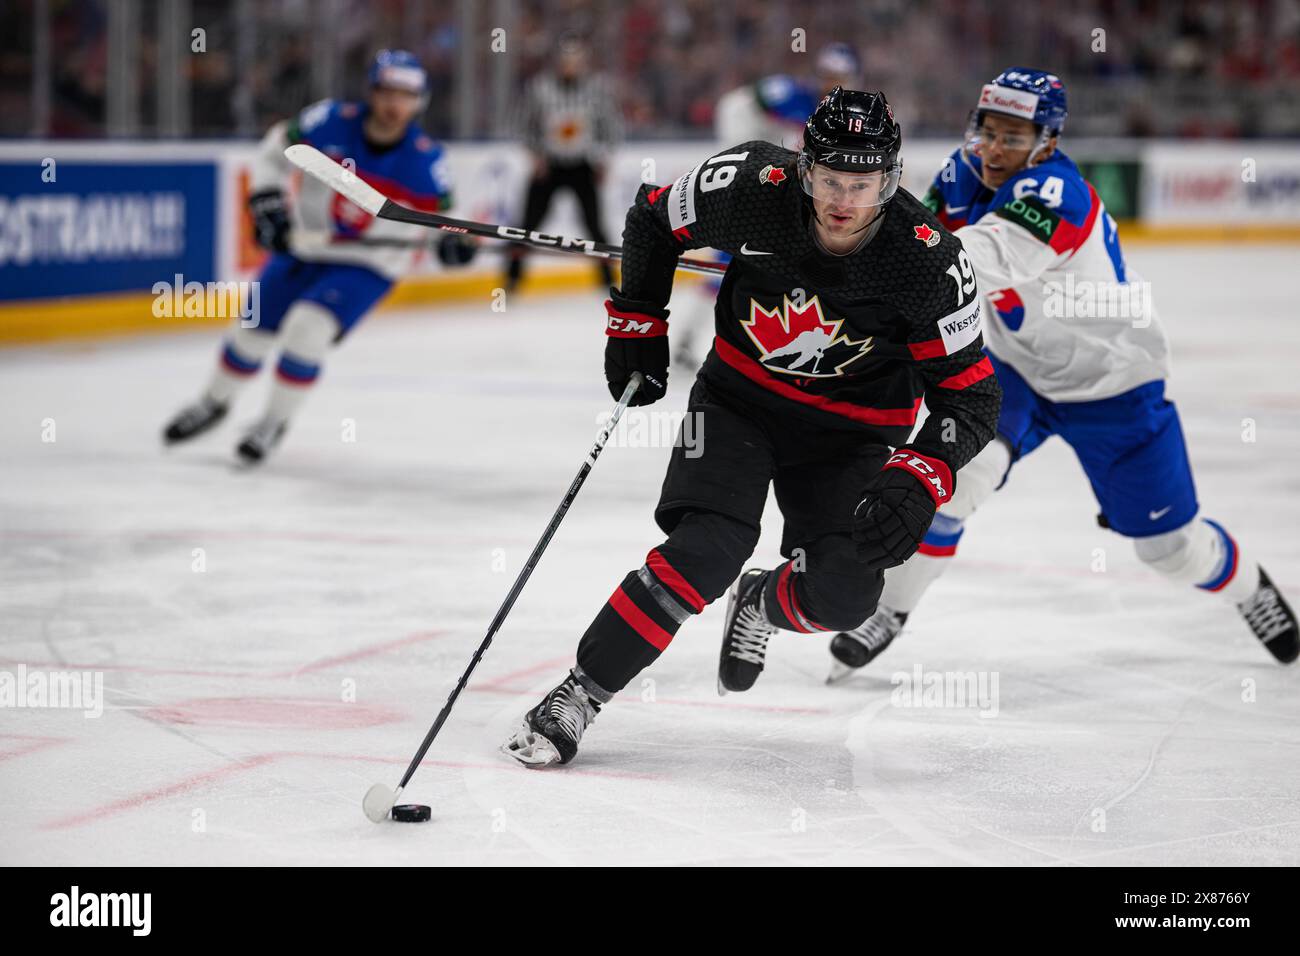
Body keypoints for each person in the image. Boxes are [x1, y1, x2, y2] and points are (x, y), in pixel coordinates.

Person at [501, 88, 1002, 767]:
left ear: (890, 179)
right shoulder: (748, 182)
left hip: (852, 434)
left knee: (847, 594)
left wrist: (923, 472)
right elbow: (654, 220)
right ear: (803, 168)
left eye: (862, 183)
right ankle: (578, 696)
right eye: (830, 179)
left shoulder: (928, 262)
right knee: (707, 548)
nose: (844, 201)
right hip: (739, 403)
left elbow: (970, 398)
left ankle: (762, 602)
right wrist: (637, 323)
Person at [828, 68, 1298, 680]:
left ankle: (1247, 588)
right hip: (1018, 370)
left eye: (1014, 137)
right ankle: (891, 610)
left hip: (1116, 387)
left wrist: (844, 262)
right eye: (988, 131)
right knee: (958, 477)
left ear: (1047, 141)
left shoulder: (1059, 195)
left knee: (1169, 549)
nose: (995, 149)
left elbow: (967, 262)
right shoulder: (959, 172)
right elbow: (913, 235)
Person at [162, 49, 474, 463]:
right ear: (371, 91)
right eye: (387, 92)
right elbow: (276, 150)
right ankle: (213, 402)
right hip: (306, 247)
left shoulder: (425, 160)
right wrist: (266, 201)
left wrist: (454, 242)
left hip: (369, 265)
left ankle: (272, 422)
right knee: (251, 332)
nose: (395, 104)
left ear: (420, 102)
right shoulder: (328, 121)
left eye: (406, 95)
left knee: (307, 330)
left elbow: (446, 219)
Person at [673, 42, 863, 369]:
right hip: (753, 177)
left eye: (840, 76)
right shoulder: (791, 93)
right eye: (829, 75)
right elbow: (737, 106)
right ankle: (693, 337)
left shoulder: (842, 117)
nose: (833, 83)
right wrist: (746, 159)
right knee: (728, 262)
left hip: (774, 189)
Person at [503, 33, 622, 294]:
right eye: (567, 60)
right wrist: (535, 156)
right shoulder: (540, 88)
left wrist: (602, 158)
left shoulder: (596, 90)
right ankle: (511, 281)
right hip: (550, 166)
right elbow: (523, 125)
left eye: (576, 60)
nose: (571, 65)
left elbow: (611, 127)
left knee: (595, 226)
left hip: (582, 165)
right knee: (527, 225)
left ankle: (607, 281)